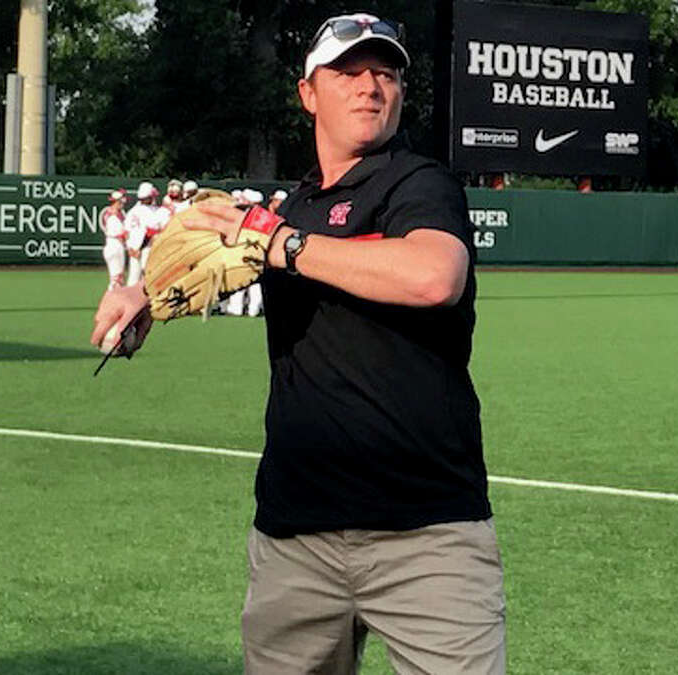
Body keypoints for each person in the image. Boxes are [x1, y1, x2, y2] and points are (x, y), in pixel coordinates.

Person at [90, 12, 504, 674]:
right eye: (348, 71)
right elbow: (213, 269)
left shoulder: (418, 184)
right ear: (309, 92)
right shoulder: (295, 207)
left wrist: (281, 242)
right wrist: (146, 301)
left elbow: (433, 277)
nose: (370, 85)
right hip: (295, 536)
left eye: (385, 72)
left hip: (426, 535)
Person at [227, 189, 287, 317]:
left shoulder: (262, 217)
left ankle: (252, 310)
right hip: (240, 254)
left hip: (256, 254)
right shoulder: (240, 214)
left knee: (255, 285)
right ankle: (236, 310)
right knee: (240, 283)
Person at [122, 181, 158, 284]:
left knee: (133, 279)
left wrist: (130, 248)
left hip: (133, 248)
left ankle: (129, 300)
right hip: (145, 248)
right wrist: (139, 249)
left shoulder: (131, 211)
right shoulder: (151, 212)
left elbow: (126, 232)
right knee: (147, 279)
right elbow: (150, 233)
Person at [100, 189, 127, 289]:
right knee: (116, 279)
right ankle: (111, 302)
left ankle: (115, 301)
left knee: (118, 278)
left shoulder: (115, 214)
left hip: (115, 245)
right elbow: (121, 235)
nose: (122, 204)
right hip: (114, 245)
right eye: (120, 202)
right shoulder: (112, 217)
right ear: (116, 202)